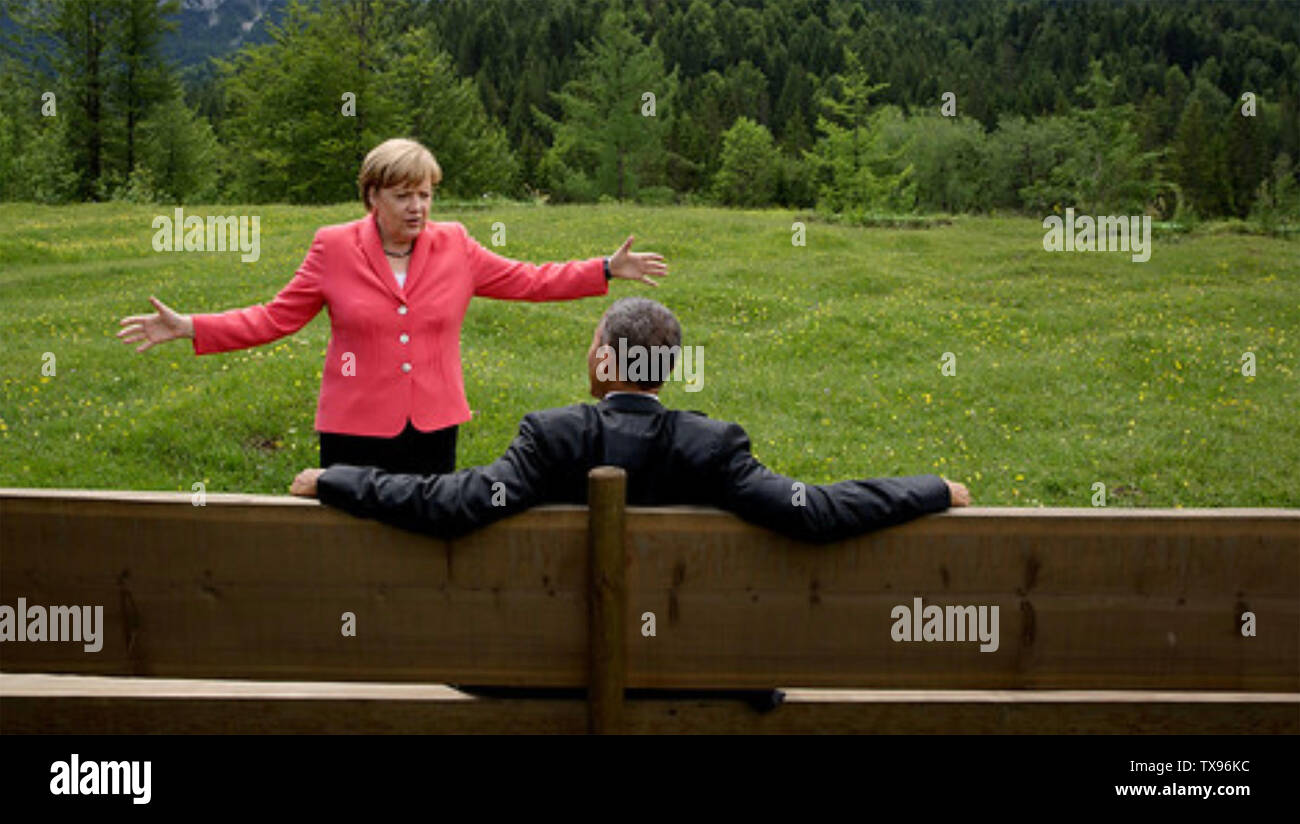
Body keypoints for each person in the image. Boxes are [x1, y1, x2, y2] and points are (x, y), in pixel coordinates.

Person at [116, 137, 667, 475]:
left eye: (425, 194)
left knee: (424, 537)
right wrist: (191, 326)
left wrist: (604, 269)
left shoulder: (456, 244)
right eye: (404, 195)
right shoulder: (332, 246)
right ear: (372, 196)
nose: (417, 206)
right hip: (354, 427)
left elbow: (529, 279)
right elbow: (275, 316)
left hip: (432, 426)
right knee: (352, 544)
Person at [290, 297, 971, 542]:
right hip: (690, 672)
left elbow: (449, 503)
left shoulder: (552, 438)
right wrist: (933, 489)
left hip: (539, 674)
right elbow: (814, 510)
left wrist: (337, 478)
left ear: (605, 361)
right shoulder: (711, 448)